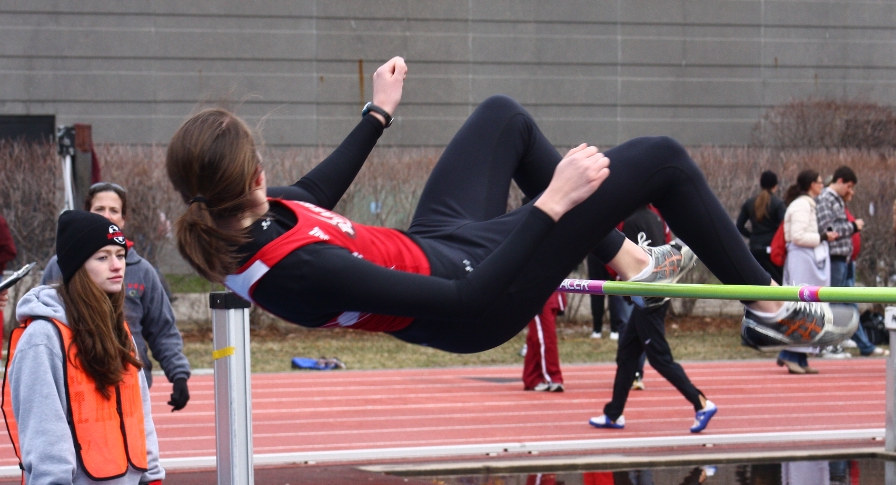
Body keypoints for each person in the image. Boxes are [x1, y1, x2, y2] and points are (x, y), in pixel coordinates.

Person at [166, 57, 856, 358]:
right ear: (250, 174)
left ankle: (629, 261)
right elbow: (465, 302)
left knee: (504, 118)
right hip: (477, 292)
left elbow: (315, 193)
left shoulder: (261, 213)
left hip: (438, 242)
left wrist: (377, 112)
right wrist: (551, 206)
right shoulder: (296, 271)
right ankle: (767, 310)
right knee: (663, 158)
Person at [2, 211, 165, 485]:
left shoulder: (120, 330)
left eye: (120, 255)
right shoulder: (44, 337)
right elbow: (44, 427)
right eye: (102, 256)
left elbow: (140, 414)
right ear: (76, 265)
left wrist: (151, 482)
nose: (116, 265)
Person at [42, 182, 188, 485]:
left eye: (114, 209)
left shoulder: (141, 277)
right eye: (99, 208)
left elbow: (163, 329)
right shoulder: (58, 284)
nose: (108, 215)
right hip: (82, 433)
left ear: (124, 219)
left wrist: (178, 372)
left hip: (126, 396)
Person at [588, 209, 717, 433]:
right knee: (627, 354)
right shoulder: (656, 219)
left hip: (649, 298)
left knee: (659, 358)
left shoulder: (629, 222)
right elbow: (665, 249)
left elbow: (624, 261)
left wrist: (622, 286)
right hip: (656, 292)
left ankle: (701, 403)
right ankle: (613, 413)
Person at [815, 166, 885, 358]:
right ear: (839, 181)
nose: (851, 191)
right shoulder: (826, 199)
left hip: (844, 259)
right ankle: (828, 344)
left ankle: (863, 344)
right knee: (834, 303)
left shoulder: (837, 200)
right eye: (849, 186)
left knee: (848, 303)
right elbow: (828, 228)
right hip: (834, 258)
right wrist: (853, 227)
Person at [776, 170, 833, 374]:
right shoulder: (801, 205)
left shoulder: (807, 204)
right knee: (800, 306)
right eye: (820, 182)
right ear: (811, 184)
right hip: (802, 258)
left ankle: (799, 356)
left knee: (811, 308)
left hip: (807, 258)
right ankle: (790, 354)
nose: (822, 186)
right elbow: (798, 236)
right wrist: (823, 237)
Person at [736, 170, 786, 283]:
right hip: (772, 250)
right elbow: (784, 226)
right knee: (776, 283)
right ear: (775, 185)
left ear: (761, 184)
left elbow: (739, 226)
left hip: (754, 249)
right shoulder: (778, 204)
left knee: (757, 284)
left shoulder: (749, 203)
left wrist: (752, 236)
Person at [522, 290, 565, 392]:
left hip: (552, 295)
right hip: (539, 297)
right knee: (546, 338)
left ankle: (532, 377)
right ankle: (552, 376)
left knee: (536, 336)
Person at [586, 253, 627, 340]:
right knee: (599, 291)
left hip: (602, 252)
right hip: (607, 252)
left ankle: (605, 330)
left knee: (609, 292)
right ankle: (602, 330)